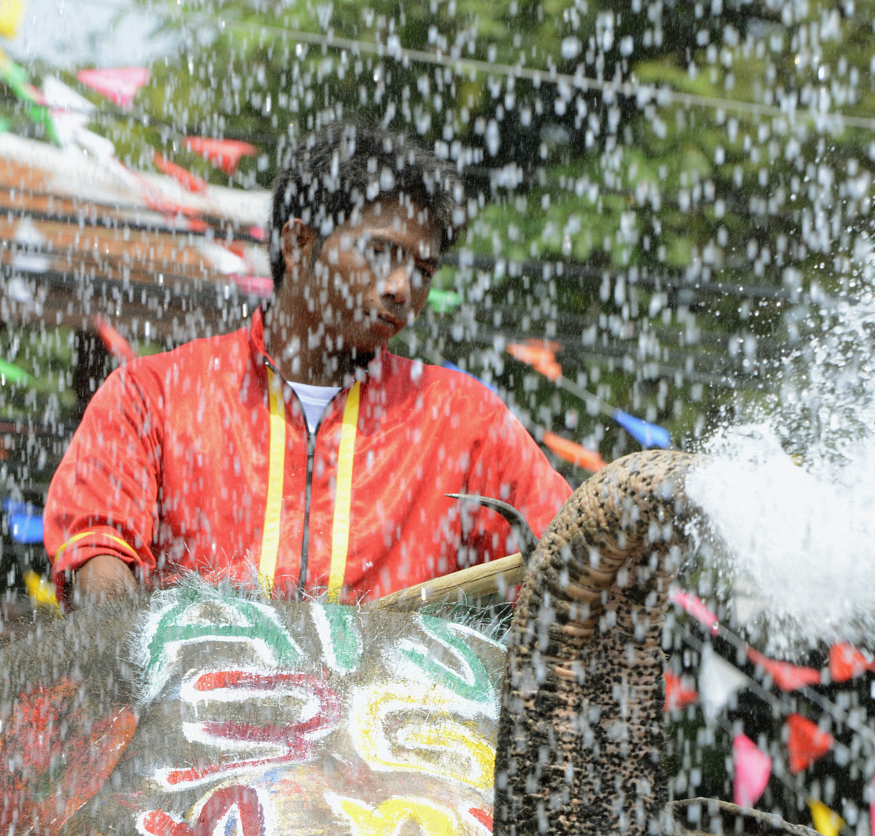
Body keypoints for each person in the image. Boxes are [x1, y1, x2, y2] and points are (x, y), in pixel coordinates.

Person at [44, 119, 573, 605]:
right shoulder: (151, 396)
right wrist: (121, 647)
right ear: (299, 244)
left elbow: (577, 563)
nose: (400, 290)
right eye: (381, 253)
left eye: (423, 271)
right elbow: (99, 558)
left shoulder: (464, 422)